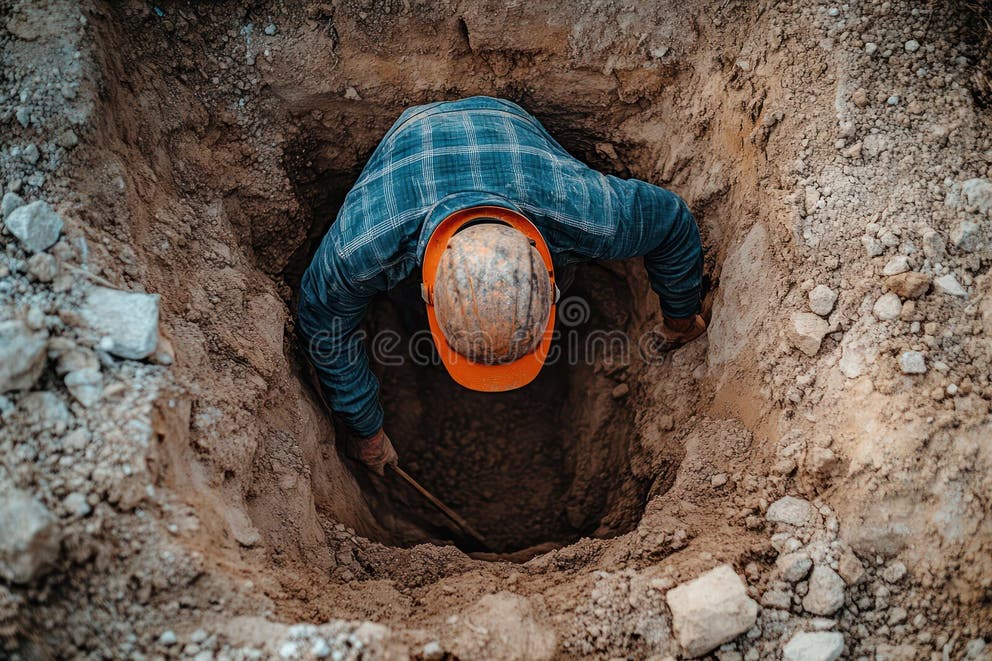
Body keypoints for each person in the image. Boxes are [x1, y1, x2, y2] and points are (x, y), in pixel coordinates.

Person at [298, 96, 706, 475]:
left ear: (548, 281)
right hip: (413, 140)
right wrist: (366, 427)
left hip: (510, 131)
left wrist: (681, 319)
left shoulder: (581, 212)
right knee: (399, 298)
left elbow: (671, 221)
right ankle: (412, 320)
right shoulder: (365, 245)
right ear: (431, 294)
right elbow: (323, 319)